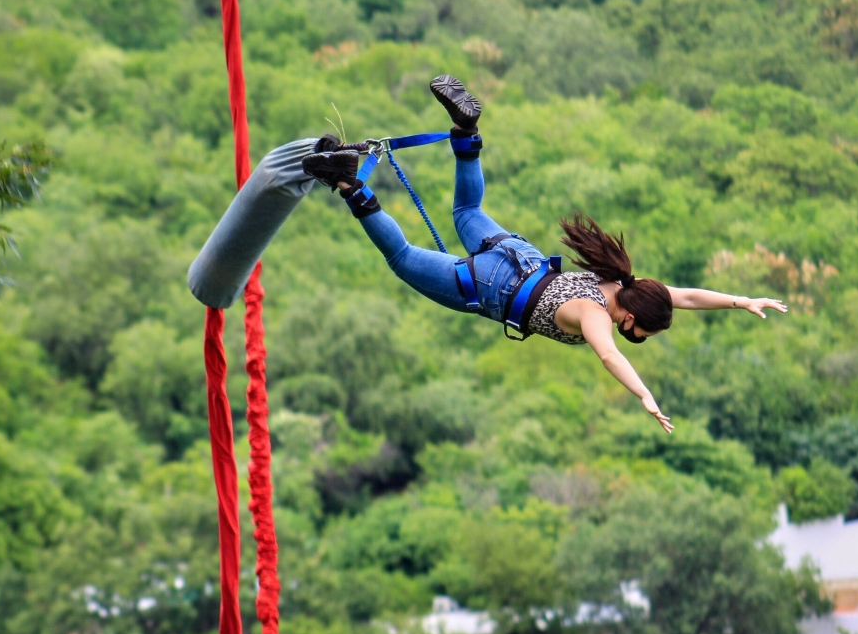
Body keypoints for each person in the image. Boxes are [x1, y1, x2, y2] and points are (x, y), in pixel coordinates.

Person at [304, 75, 787, 433]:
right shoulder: (597, 314)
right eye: (642, 331)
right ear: (632, 320)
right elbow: (609, 356)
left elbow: (685, 297)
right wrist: (644, 394)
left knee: (467, 208)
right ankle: (349, 181)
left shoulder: (621, 282)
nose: (638, 336)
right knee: (403, 259)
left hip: (518, 255)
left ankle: (466, 129)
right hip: (492, 286)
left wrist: (742, 301)